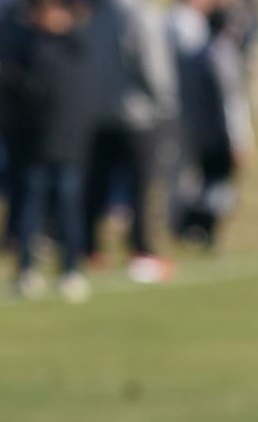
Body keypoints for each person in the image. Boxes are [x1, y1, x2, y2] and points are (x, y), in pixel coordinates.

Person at [0, 0, 90, 301]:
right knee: (29, 210)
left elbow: (77, 103)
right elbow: (15, 98)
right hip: (32, 148)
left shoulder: (76, 48)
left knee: (68, 211)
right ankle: (26, 270)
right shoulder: (23, 48)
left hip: (67, 147)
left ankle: (71, 269)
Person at [79, 0, 175, 282]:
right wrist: (165, 104)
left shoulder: (94, 11)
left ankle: (90, 247)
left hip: (99, 114)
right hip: (137, 116)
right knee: (142, 187)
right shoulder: (139, 14)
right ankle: (142, 250)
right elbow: (152, 65)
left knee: (96, 186)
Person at [167, 0, 252, 248]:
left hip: (200, 130)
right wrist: (239, 139)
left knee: (204, 183)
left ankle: (194, 228)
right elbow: (230, 101)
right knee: (217, 186)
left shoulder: (203, 52)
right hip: (218, 133)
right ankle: (202, 230)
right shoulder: (221, 55)